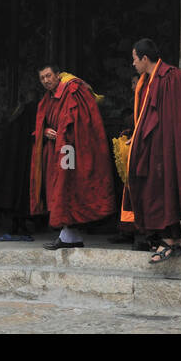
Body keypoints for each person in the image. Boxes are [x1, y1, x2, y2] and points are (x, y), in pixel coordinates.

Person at [120, 38, 181, 263]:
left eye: (134, 59)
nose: (133, 64)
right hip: (151, 147)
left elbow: (175, 117)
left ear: (144, 58)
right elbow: (146, 119)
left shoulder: (171, 77)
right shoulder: (148, 80)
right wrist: (136, 138)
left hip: (166, 148)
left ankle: (169, 242)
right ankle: (163, 239)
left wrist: (165, 145)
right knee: (150, 191)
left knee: (165, 191)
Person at [30, 65, 114, 250]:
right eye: (42, 78)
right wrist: (45, 131)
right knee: (58, 188)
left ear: (58, 75)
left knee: (67, 187)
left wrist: (61, 137)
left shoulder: (74, 90)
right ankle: (69, 235)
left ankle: (68, 234)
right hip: (55, 150)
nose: (46, 80)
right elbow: (42, 122)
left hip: (71, 150)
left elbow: (81, 124)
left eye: (48, 76)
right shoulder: (48, 98)